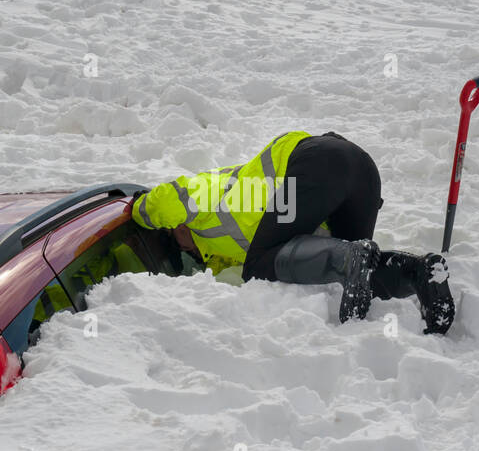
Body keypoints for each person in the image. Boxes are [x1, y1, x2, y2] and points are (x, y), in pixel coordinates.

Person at [131, 130, 455, 334]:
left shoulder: (207, 192)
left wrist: (136, 211)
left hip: (317, 161)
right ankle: (419, 273)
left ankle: (352, 260)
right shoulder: (225, 252)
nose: (180, 241)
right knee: (361, 268)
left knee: (261, 266)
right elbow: (237, 283)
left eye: (173, 235)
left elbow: (160, 202)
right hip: (362, 174)